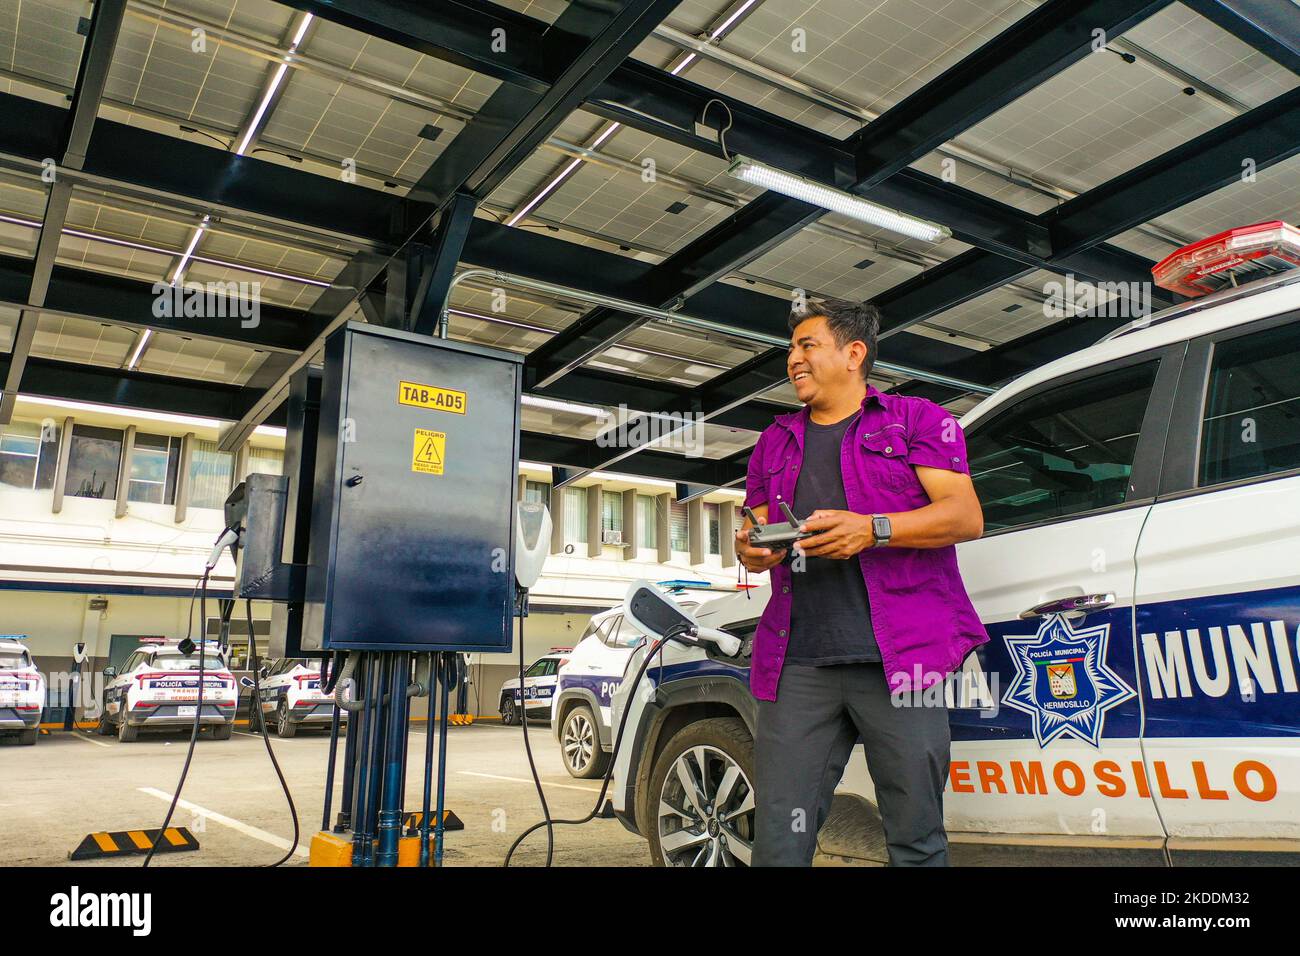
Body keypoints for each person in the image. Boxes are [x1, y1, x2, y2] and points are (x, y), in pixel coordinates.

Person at [736, 299, 987, 867]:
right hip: (799, 663)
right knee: (778, 838)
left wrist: (873, 530)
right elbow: (755, 531)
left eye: (807, 345)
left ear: (853, 354)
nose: (792, 359)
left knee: (915, 834)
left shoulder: (918, 420)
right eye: (791, 348)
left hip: (901, 660)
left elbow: (964, 516)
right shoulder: (773, 441)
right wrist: (750, 548)